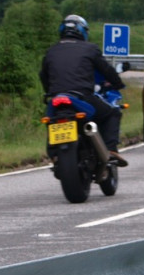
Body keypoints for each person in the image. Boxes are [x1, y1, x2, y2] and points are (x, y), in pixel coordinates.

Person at [40, 14, 129, 166]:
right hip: (82, 97)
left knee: (52, 120)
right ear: (83, 31)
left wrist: (50, 91)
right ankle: (111, 149)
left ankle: (54, 154)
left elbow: (43, 75)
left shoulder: (52, 51)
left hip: (56, 98)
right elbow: (106, 70)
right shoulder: (90, 49)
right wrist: (118, 83)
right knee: (112, 113)